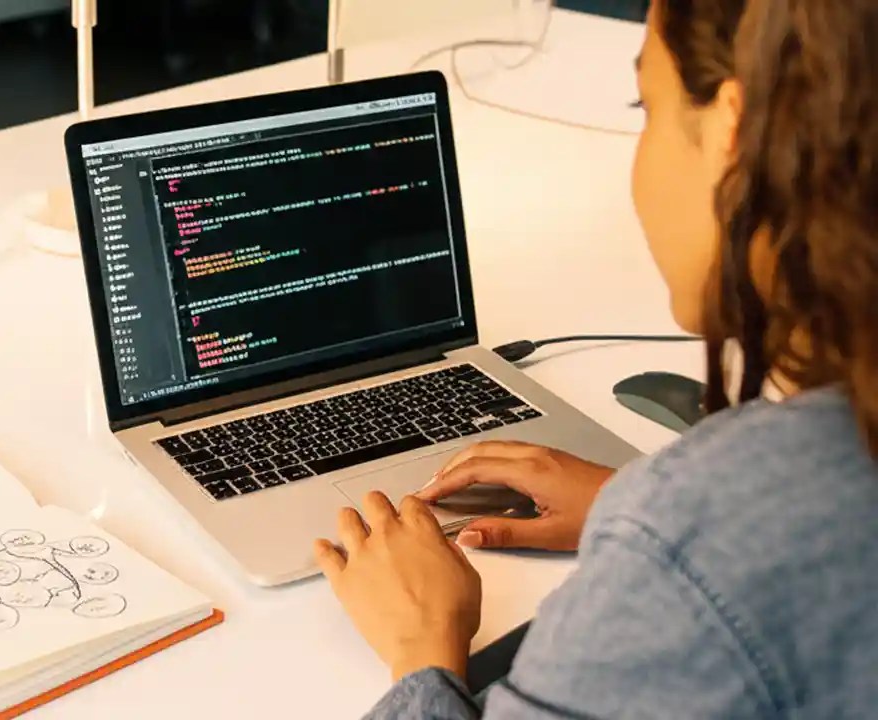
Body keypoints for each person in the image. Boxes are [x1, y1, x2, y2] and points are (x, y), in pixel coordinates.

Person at [313, 0, 878, 716]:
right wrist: (637, 507)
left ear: (733, 138)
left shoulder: (702, 541)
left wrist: (421, 647)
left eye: (647, 102)